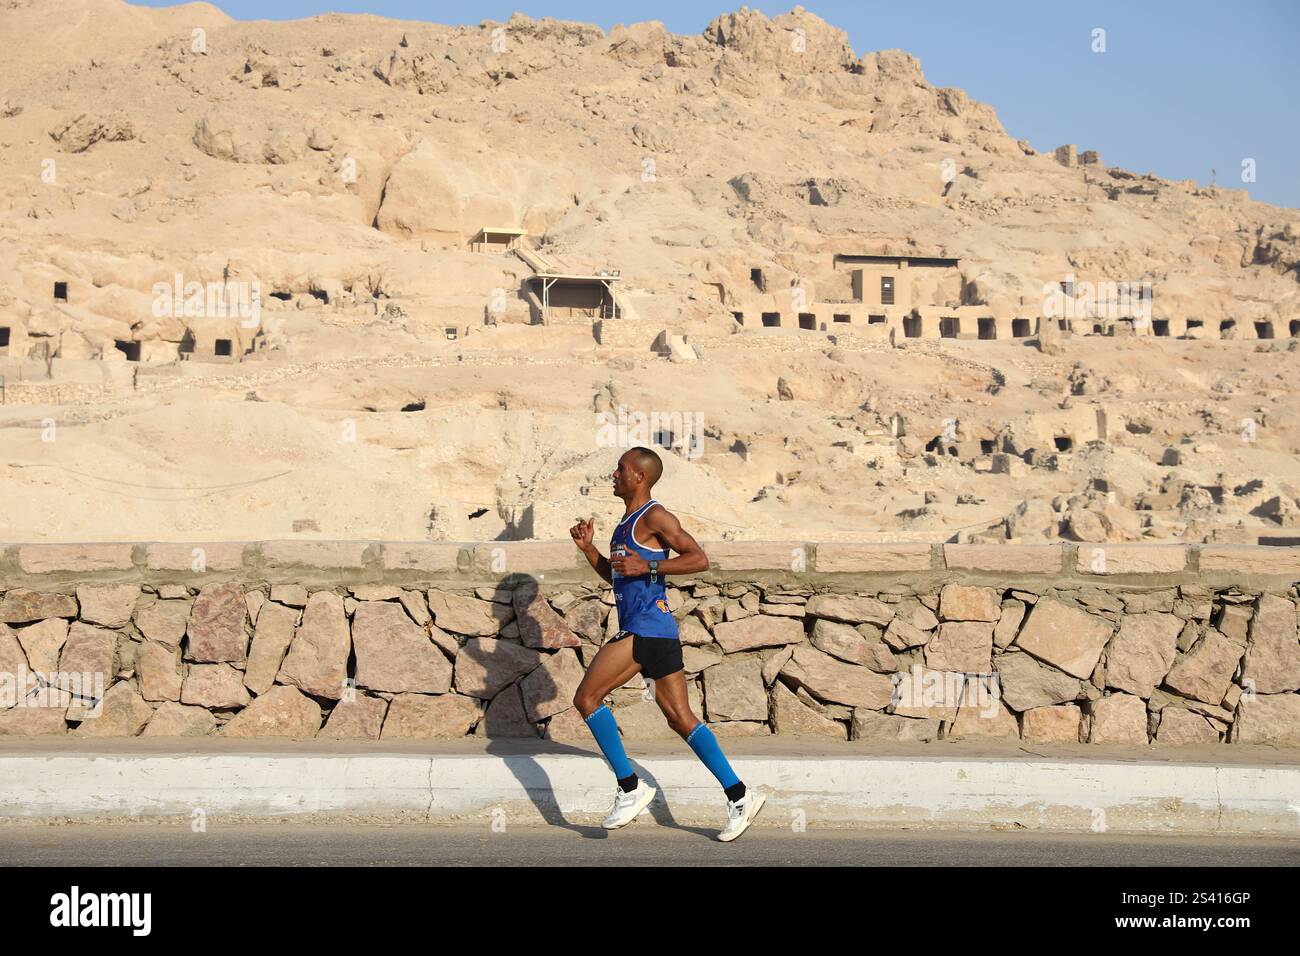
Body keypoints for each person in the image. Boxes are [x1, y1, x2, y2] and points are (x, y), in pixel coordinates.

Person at [569, 446, 765, 842]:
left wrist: (651, 565)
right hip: (658, 635)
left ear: (640, 476)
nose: (614, 474)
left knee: (587, 699)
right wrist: (590, 550)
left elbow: (698, 558)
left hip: (645, 630)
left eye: (620, 469)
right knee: (680, 719)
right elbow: (619, 578)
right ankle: (740, 795)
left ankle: (629, 786)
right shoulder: (624, 524)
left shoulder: (654, 516)